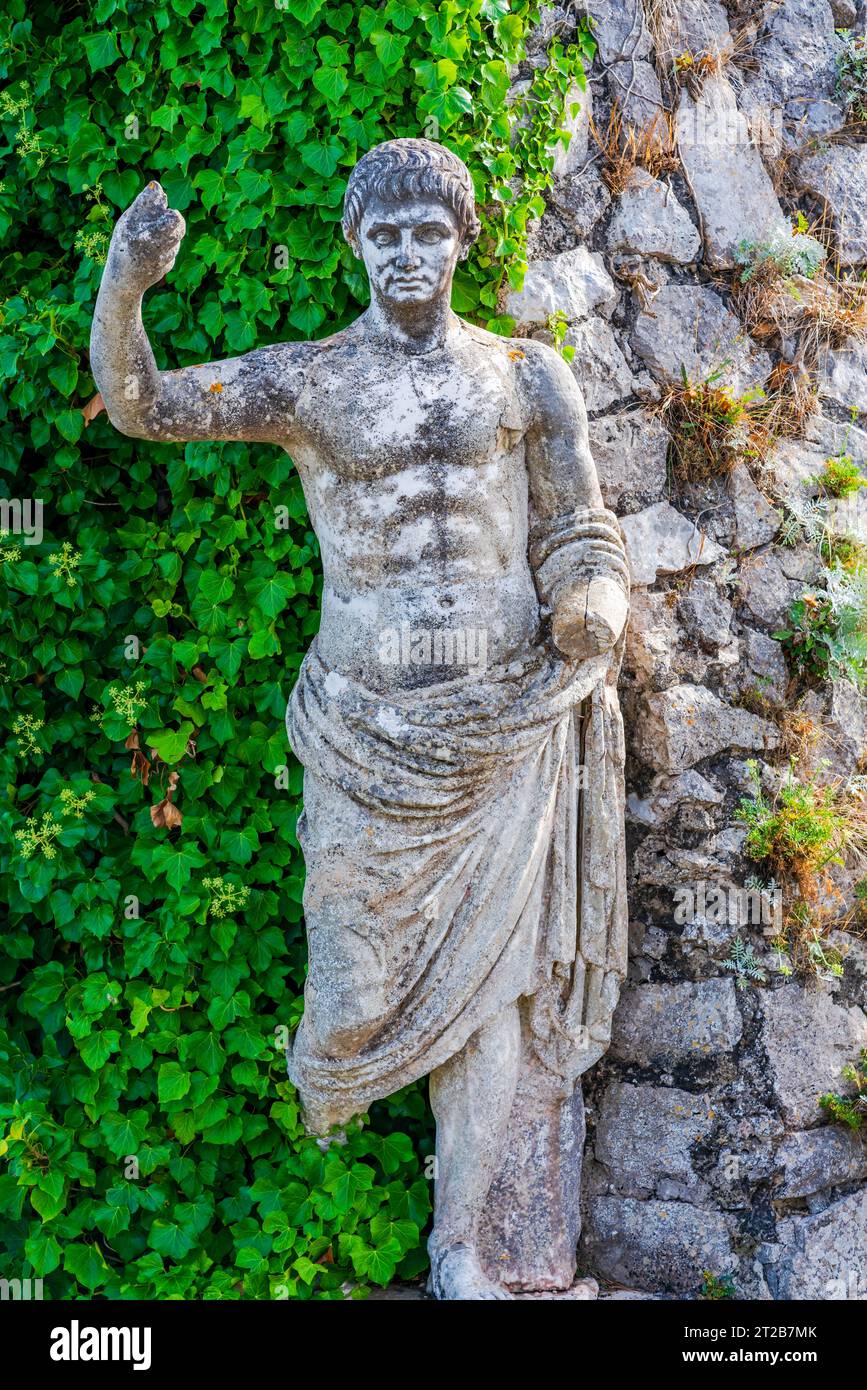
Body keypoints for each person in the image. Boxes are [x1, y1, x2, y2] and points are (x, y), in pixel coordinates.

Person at [90, 138, 630, 1300]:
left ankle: (457, 1248)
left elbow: (581, 522)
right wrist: (126, 287)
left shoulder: (528, 374)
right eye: (384, 232)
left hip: (501, 726)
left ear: (462, 241)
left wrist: (593, 594)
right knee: (346, 995)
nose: (406, 252)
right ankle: (311, 1212)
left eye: (428, 231)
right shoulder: (311, 381)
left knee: (490, 994)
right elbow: (144, 407)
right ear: (353, 243)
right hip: (368, 738)